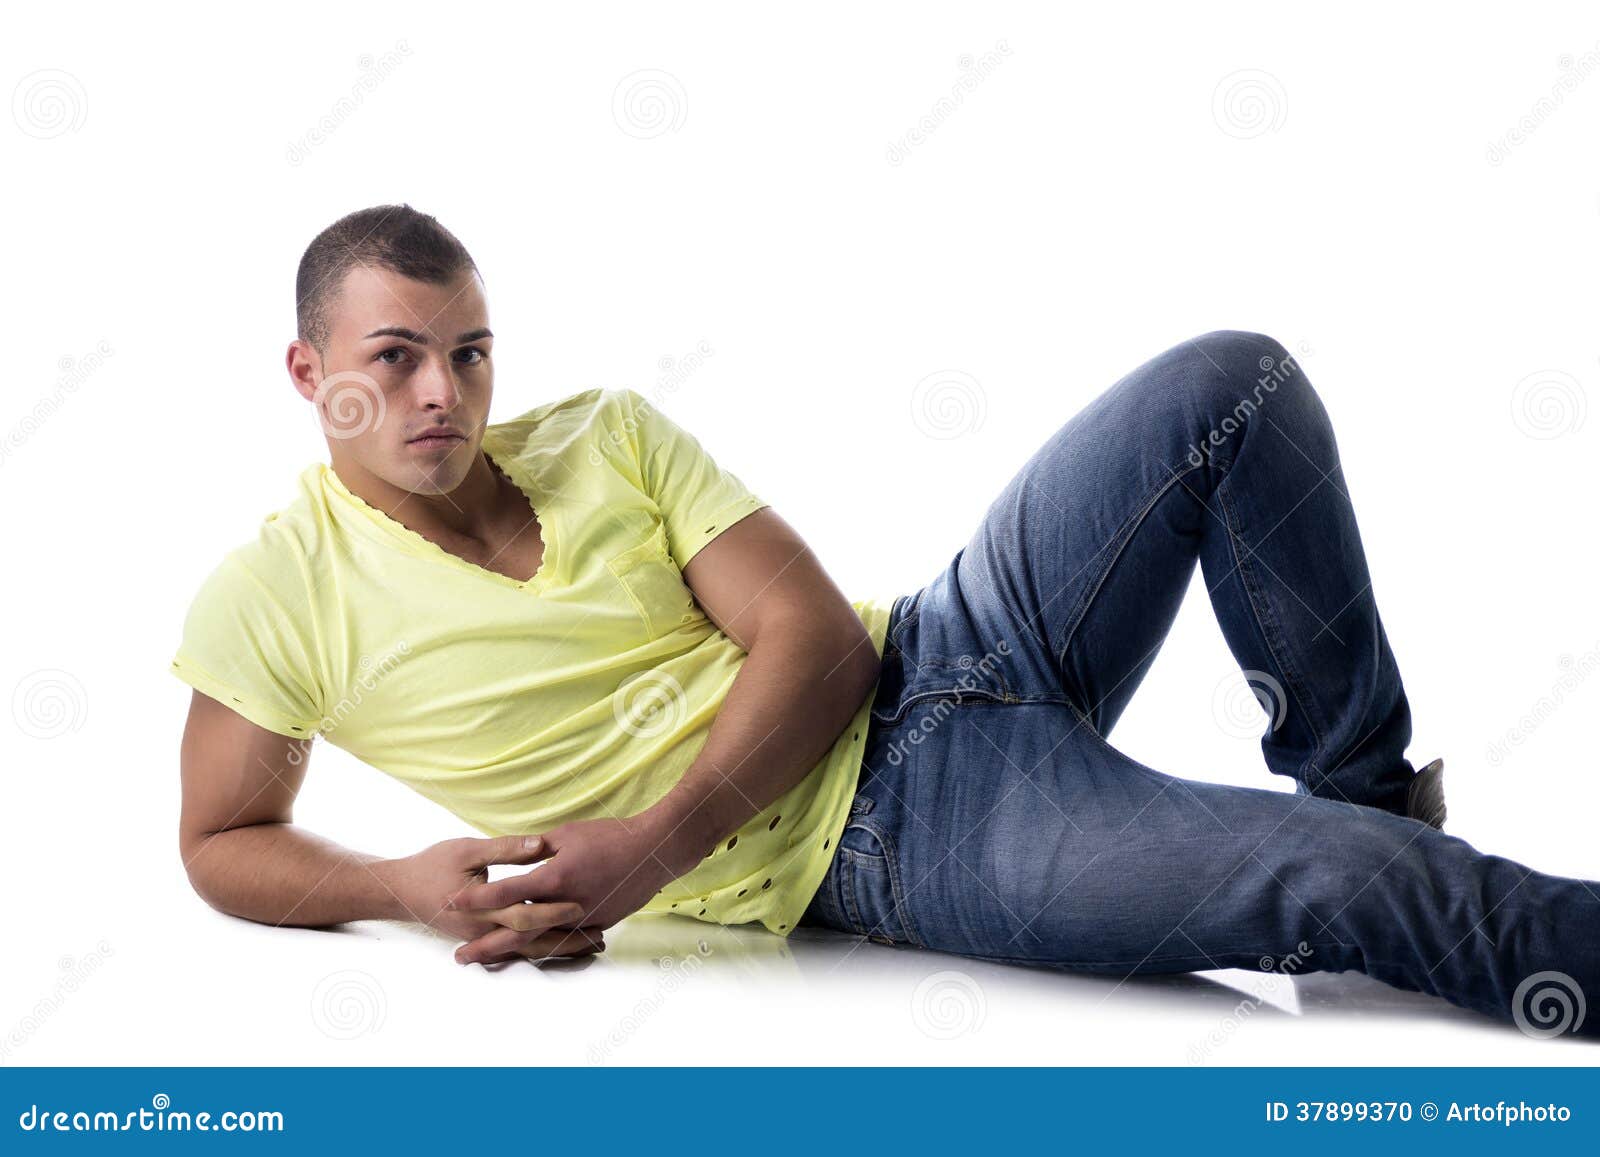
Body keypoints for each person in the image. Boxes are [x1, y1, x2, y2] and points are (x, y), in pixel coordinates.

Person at [173, 204, 1597, 1040]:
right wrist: (402, 885)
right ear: (311, 373)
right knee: (1341, 882)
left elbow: (824, 643)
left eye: (469, 351)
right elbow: (220, 839)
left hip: (947, 638)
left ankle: (1362, 785)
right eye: (397, 358)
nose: (443, 392)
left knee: (1235, 385)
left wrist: (646, 852)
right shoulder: (277, 595)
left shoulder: (604, 433)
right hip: (890, 842)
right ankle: (1388, 861)